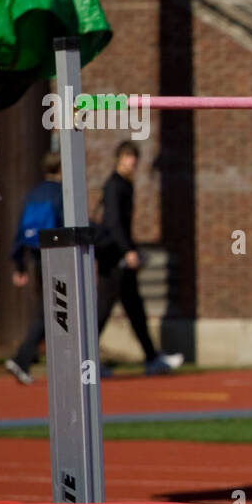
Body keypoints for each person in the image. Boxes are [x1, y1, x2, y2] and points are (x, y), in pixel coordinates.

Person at [95, 141, 183, 375]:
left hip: (121, 256)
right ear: (118, 159)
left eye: (134, 156)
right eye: (127, 156)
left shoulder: (126, 184)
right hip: (114, 259)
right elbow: (113, 223)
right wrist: (128, 250)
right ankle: (86, 360)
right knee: (102, 311)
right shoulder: (115, 185)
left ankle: (152, 358)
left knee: (135, 309)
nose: (131, 161)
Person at [4, 152, 64, 385]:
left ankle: (26, 359)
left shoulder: (33, 193)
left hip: (36, 258)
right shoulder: (60, 193)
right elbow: (66, 225)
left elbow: (21, 232)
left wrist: (19, 266)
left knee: (51, 310)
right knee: (54, 311)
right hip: (58, 259)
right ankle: (22, 358)